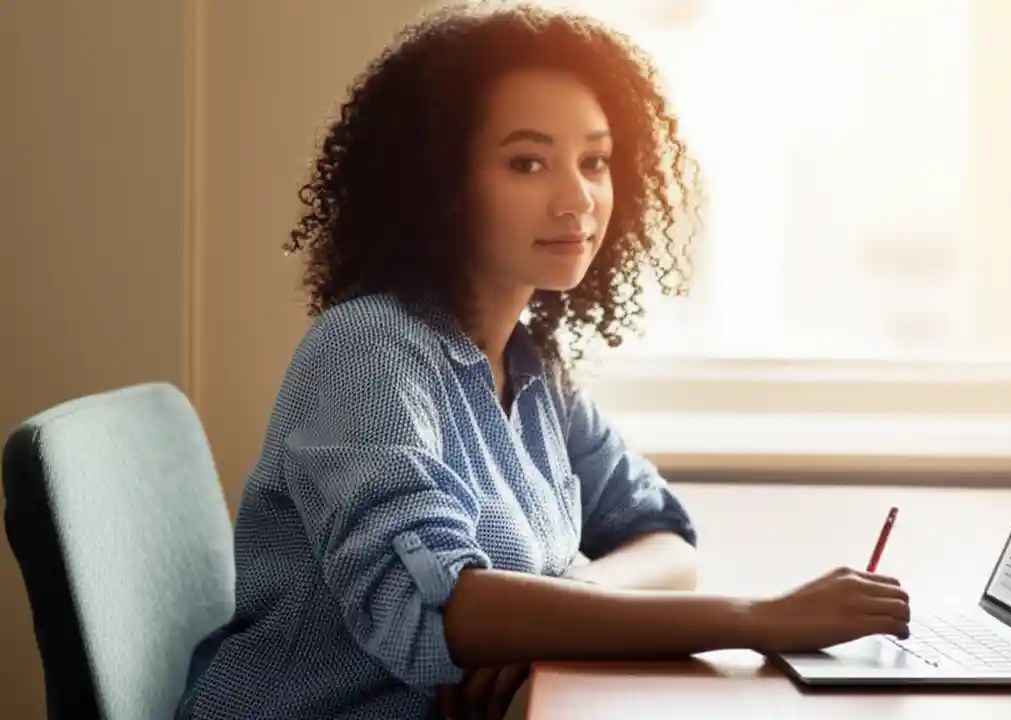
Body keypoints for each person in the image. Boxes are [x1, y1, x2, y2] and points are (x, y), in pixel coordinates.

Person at [174, 3, 911, 719]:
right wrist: (762, 620)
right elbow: (442, 609)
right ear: (443, 186)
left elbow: (663, 539)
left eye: (595, 161)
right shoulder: (365, 350)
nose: (578, 199)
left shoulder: (533, 367)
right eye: (528, 162)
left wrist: (553, 610)